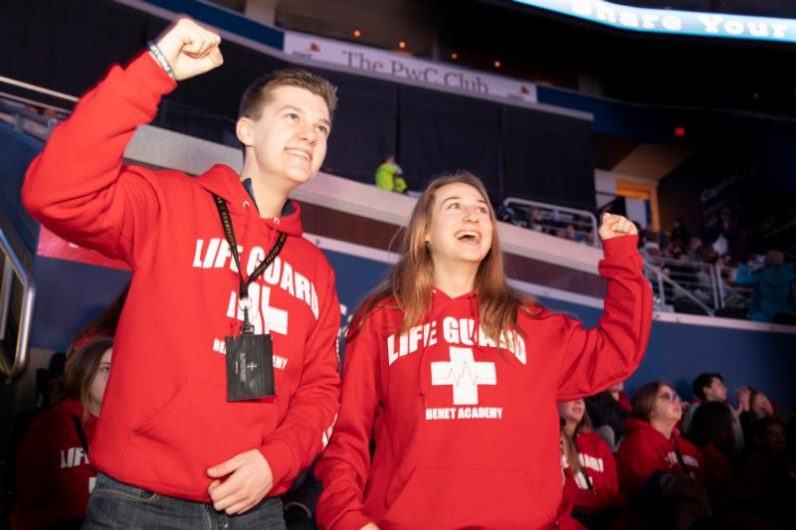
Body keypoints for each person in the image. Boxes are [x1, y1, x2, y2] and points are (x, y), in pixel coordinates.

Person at [22, 18, 341, 528]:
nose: (310, 133)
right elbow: (53, 192)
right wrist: (157, 67)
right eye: (292, 116)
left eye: (321, 127)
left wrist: (274, 462)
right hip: (138, 505)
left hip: (257, 511)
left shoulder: (316, 269)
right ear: (246, 130)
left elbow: (321, 392)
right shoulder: (170, 203)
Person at [314, 171, 652, 529]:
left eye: (482, 210)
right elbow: (348, 435)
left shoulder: (533, 324)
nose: (472, 215)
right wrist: (347, 519)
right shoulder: (382, 318)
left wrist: (623, 261)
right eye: (454, 206)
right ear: (425, 232)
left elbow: (618, 349)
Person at [11, 338, 113, 530]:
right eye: (106, 369)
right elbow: (30, 495)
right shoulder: (52, 424)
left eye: (120, 369)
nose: (115, 376)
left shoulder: (130, 430)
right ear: (85, 373)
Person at [616, 382, 710, 530]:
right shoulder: (639, 441)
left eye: (676, 396)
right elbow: (649, 496)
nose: (676, 400)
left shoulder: (690, 449)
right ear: (650, 409)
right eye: (667, 397)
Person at [558, 399, 622, 528]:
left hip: (605, 518)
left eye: (582, 397)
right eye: (571, 396)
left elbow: (613, 493)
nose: (578, 401)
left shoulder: (598, 444)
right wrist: (600, 501)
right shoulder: (546, 442)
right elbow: (561, 493)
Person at [681, 372, 746, 453]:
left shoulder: (729, 408)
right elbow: (686, 437)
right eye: (719, 385)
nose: (725, 389)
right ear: (706, 390)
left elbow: (738, 441)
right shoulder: (695, 408)